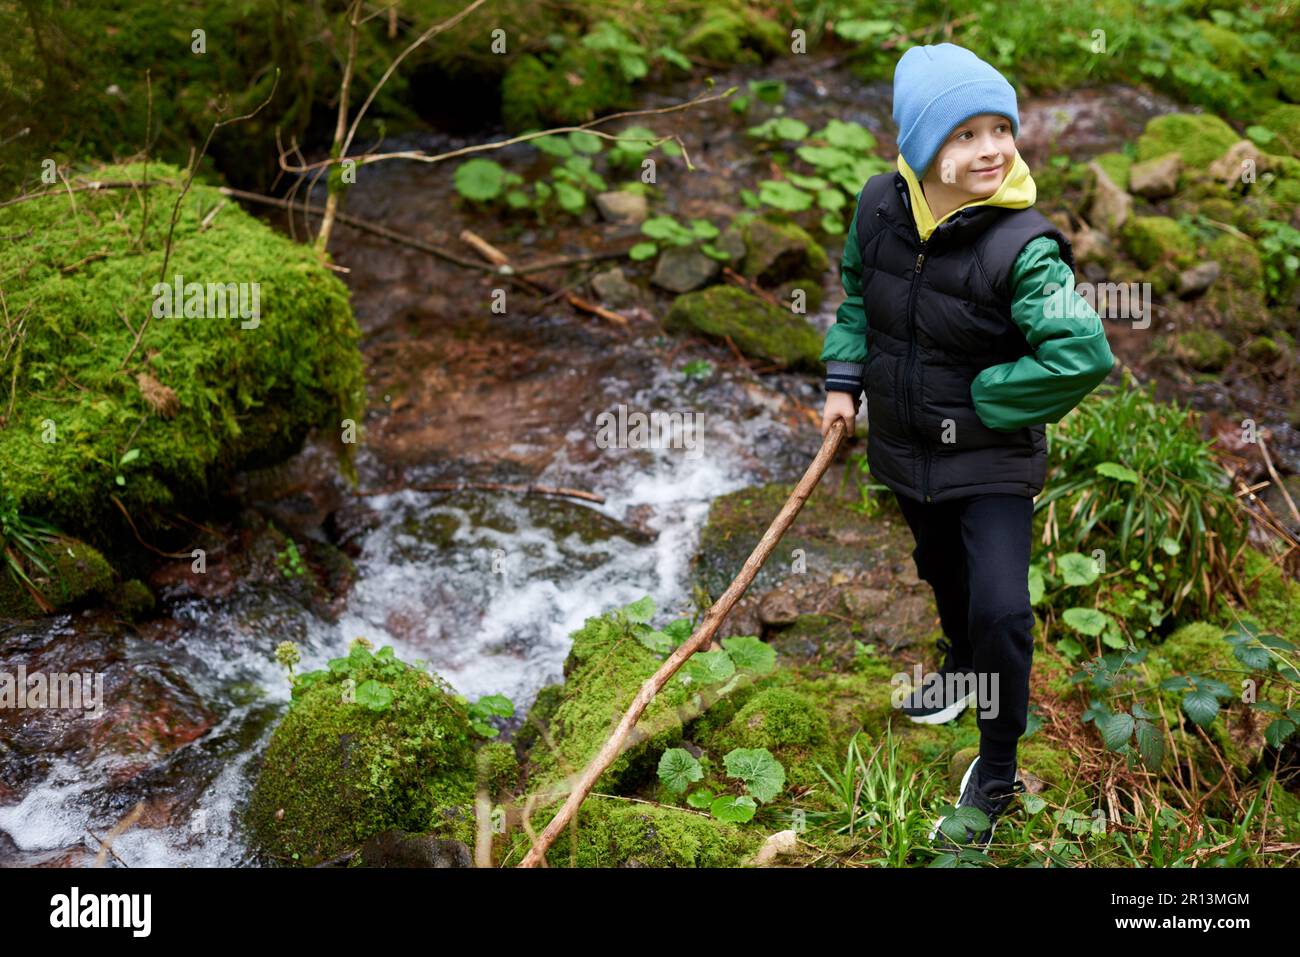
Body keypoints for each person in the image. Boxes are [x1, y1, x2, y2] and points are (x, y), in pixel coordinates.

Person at [818, 42, 1115, 852]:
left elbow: (1082, 353)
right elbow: (856, 296)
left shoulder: (1023, 246)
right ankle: (958, 667)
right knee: (939, 568)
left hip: (988, 457)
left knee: (1001, 607)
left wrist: (986, 397)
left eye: (1000, 129)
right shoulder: (879, 204)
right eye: (964, 134)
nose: (990, 148)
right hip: (906, 445)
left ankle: (997, 761)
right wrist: (844, 381)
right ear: (920, 149)